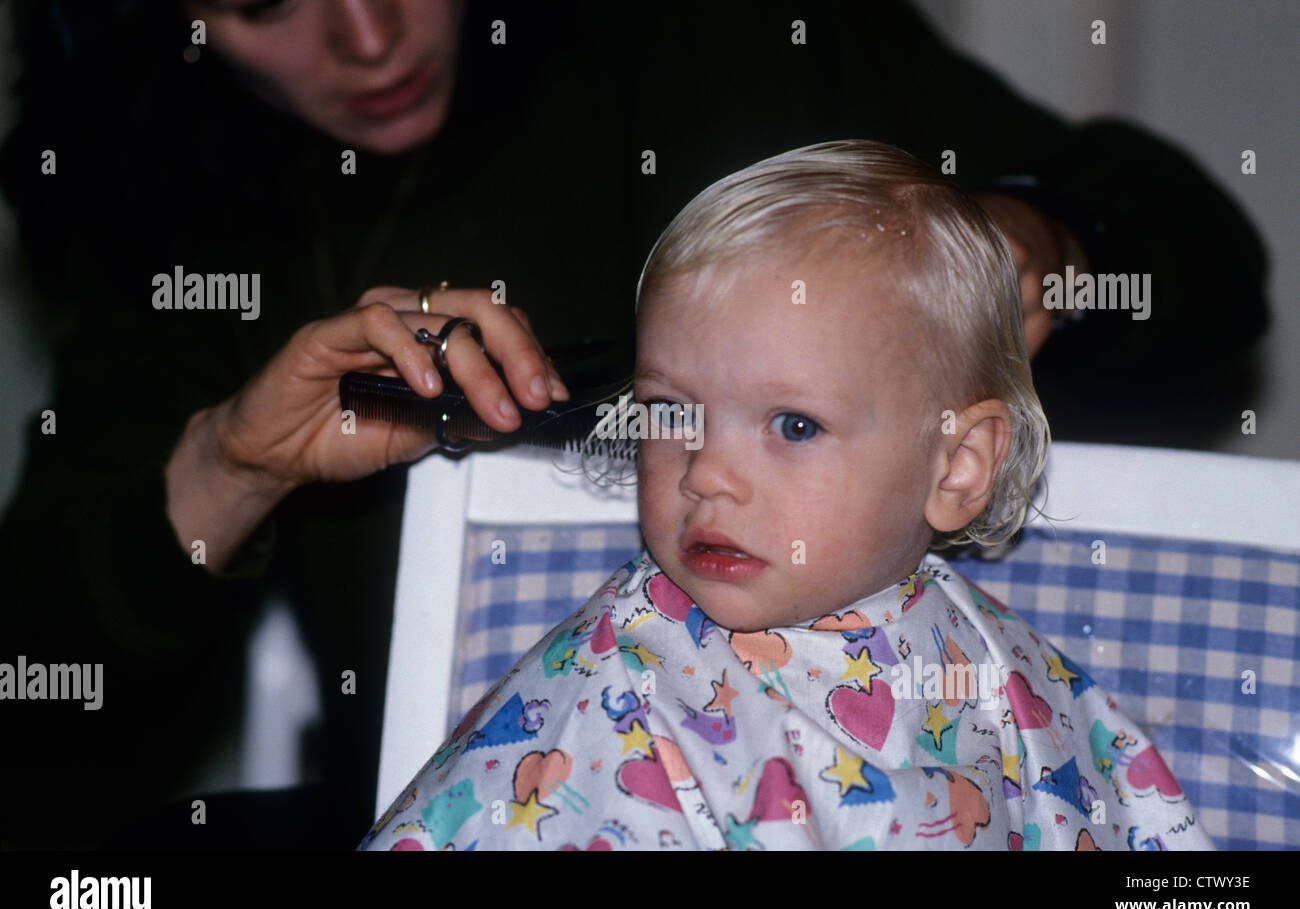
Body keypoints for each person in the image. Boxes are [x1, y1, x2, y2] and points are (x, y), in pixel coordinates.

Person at [0, 1, 1257, 850]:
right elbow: (42, 692)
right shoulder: (171, 212)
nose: (367, 37)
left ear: (965, 460)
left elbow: (1207, 268)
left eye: (790, 424)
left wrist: (1040, 242)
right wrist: (233, 461)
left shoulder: (728, 36)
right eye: (267, 3)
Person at [359, 141, 1213, 851]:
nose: (706, 474)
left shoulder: (997, 666)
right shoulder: (620, 690)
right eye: (672, 413)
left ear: (956, 467)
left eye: (794, 426)